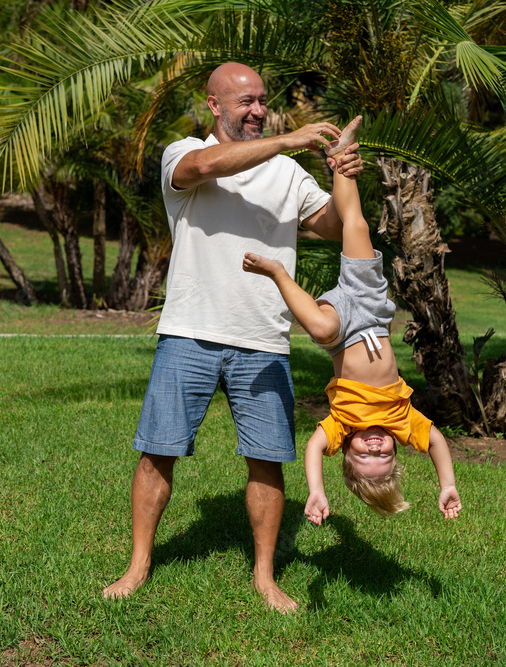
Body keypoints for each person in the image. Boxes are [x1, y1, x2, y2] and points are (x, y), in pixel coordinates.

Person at [102, 62, 364, 614]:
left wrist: (345, 171)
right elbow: (205, 165)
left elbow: (334, 227)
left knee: (267, 460)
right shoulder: (183, 153)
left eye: (262, 100)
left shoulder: (289, 177)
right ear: (214, 105)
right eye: (245, 101)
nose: (258, 110)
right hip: (189, 332)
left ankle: (265, 576)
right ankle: (138, 564)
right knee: (158, 453)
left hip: (264, 339)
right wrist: (288, 140)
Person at [242, 116, 462, 525]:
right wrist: (446, 483)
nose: (375, 446)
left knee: (322, 329)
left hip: (342, 329)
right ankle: (342, 154)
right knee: (356, 224)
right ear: (395, 449)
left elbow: (311, 448)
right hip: (372, 313)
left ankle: (277, 273)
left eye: (365, 454)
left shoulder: (342, 425)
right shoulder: (402, 422)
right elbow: (434, 440)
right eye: (383, 453)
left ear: (347, 450)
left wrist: (316, 490)